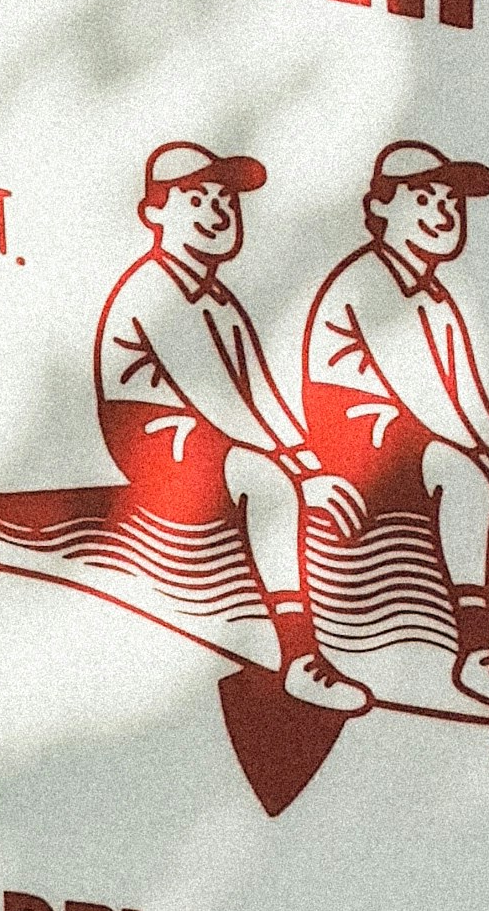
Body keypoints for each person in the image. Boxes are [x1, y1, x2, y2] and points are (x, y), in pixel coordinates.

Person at [96, 141, 367, 713]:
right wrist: (296, 475)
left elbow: (259, 394)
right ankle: (300, 657)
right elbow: (217, 400)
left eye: (224, 199)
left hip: (204, 426)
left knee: (298, 480)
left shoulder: (219, 299)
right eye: (196, 198)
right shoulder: (158, 289)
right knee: (269, 485)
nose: (218, 211)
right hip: (153, 428)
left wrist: (310, 461)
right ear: (155, 212)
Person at [300, 137, 489, 715]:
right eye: (424, 197)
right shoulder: (372, 279)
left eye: (451, 199)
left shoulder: (438, 297)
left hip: (402, 424)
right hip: (354, 422)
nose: (444, 210)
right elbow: (425, 400)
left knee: (483, 478)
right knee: (463, 478)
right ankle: (477, 651)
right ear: (381, 207)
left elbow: (469, 400)